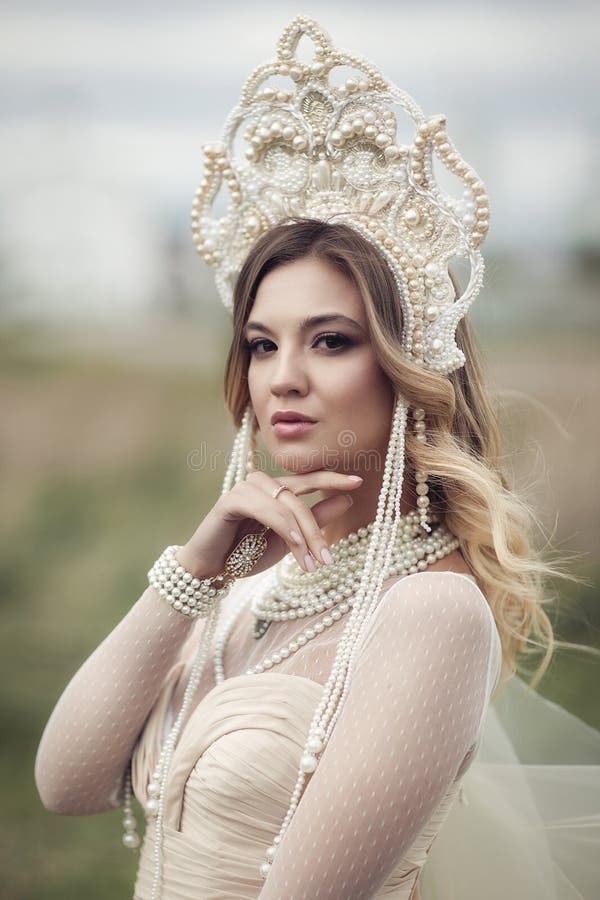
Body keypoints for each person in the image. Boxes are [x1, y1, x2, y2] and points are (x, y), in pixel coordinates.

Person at [34, 15, 600, 900]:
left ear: (406, 366)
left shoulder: (432, 616)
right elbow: (67, 784)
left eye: (330, 341)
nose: (282, 379)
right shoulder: (254, 590)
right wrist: (197, 567)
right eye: (261, 345)